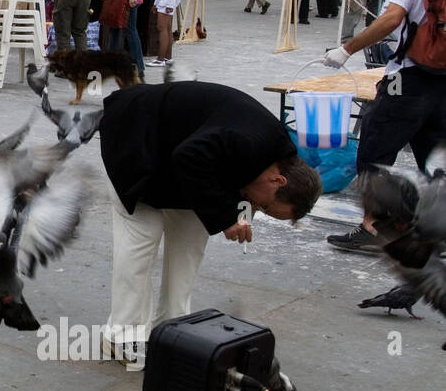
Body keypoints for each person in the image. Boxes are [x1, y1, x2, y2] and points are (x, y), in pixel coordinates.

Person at [98, 81, 322, 361]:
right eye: (263, 206)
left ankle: (173, 327)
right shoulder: (249, 142)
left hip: (177, 156)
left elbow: (220, 172)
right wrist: (227, 218)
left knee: (190, 241)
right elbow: (189, 156)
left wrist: (236, 213)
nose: (256, 209)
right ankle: (122, 335)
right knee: (142, 237)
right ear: (277, 180)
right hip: (135, 136)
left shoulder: (272, 156)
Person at [321, 0, 446, 254]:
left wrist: (347, 49)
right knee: (434, 159)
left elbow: (392, 19)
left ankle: (374, 227)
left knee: (374, 150)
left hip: (406, 78)